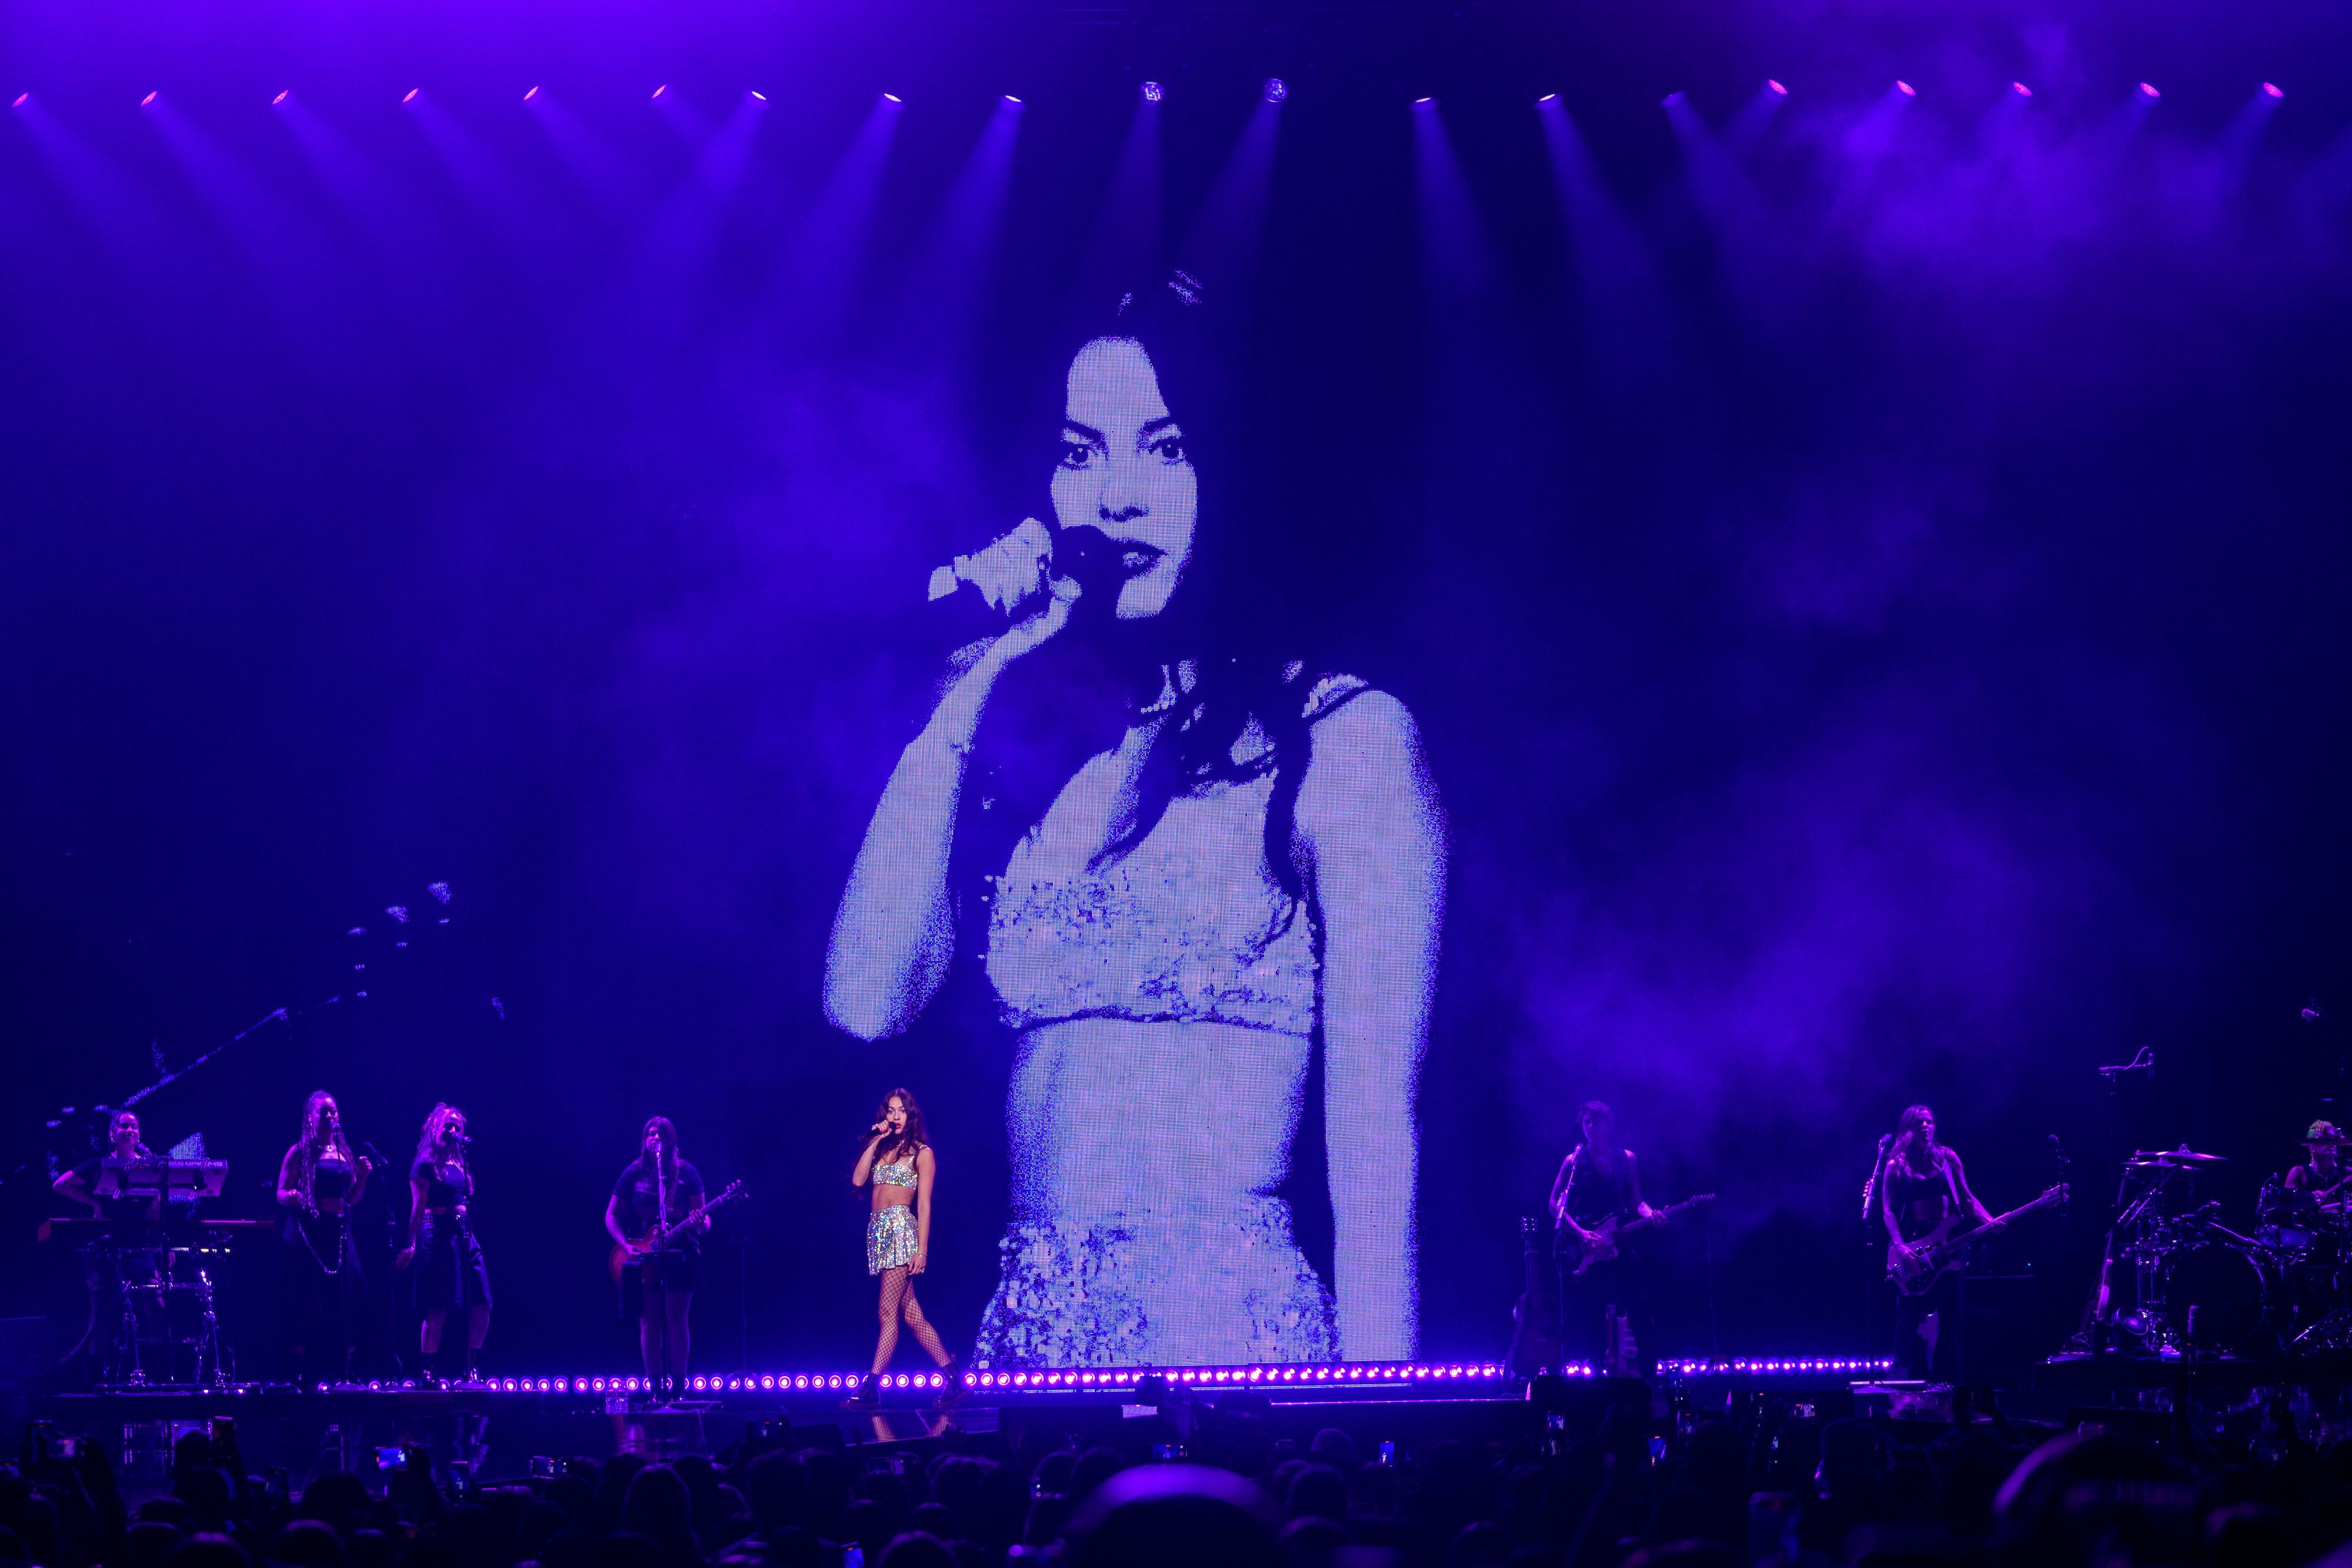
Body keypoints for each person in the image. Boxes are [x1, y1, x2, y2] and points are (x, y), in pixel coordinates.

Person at [824, 273, 1445, 1365]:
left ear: (1233, 469)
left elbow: (1375, 1149)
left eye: (1165, 448)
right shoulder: (1045, 753)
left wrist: (1377, 1423)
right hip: (1031, 1357)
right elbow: (865, 1001)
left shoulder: (1347, 739)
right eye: (1081, 453)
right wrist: (970, 686)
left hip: (1233, 1360)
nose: (1115, 498)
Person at [843, 1089, 961, 1409]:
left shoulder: (922, 1153)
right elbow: (858, 1181)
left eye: (901, 1111)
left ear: (911, 1115)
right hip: (878, 1232)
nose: (895, 1116)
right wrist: (873, 1141)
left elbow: (924, 1206)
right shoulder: (882, 1147)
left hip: (900, 1231)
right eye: (891, 1110)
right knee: (912, 1314)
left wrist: (922, 1250)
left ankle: (872, 1386)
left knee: (887, 1312)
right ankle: (955, 1380)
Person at [1880, 1104, 1994, 1380]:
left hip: (1948, 1244)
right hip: (1912, 1245)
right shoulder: (1896, 1167)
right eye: (1919, 1122)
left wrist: (1991, 1222)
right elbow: (1888, 1211)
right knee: (1909, 1317)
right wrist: (1900, 1246)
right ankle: (1906, 1382)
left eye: (1929, 1122)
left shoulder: (1948, 1158)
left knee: (1952, 1314)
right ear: (1907, 1129)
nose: (1925, 1126)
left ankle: (1949, 1382)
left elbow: (1967, 1200)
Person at [1548, 1101, 1656, 1375]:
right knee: (1591, 1310)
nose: (1591, 1126)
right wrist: (1580, 1233)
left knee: (1639, 1299)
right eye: (1586, 1122)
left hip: (1615, 1240)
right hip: (1585, 1243)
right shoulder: (1574, 1161)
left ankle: (1648, 1373)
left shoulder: (1627, 1159)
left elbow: (1637, 1202)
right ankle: (1595, 1373)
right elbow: (1554, 1203)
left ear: (1609, 1124)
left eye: (1596, 1121)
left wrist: (1652, 1214)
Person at [605, 1116, 709, 1389]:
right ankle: (654, 1389)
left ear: (671, 1140)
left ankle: (678, 1389)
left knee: (677, 1321)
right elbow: (612, 1216)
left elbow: (704, 1222)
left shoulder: (687, 1173)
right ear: (644, 1140)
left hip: (680, 1253)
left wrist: (700, 1222)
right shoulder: (634, 1173)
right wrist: (626, 1246)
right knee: (649, 1323)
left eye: (661, 1133)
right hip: (644, 1255)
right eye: (651, 1133)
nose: (655, 1137)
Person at [275, 1091, 369, 1385]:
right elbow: (281, 1192)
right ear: (310, 1118)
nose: (330, 1116)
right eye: (323, 1112)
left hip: (339, 1230)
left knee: (351, 1292)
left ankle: (346, 1367)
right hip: (309, 1230)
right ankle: (301, 1367)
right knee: (304, 1296)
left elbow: (351, 1199)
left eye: (333, 1111)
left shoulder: (343, 1153)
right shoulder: (300, 1152)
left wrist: (363, 1178)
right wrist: (292, 1196)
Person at [395, 1103, 490, 1383]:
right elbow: (417, 1207)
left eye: (457, 1127)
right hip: (437, 1234)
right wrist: (411, 1244)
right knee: (437, 1306)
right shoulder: (425, 1165)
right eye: (447, 1126)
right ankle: (428, 1370)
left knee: (483, 1302)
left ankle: (471, 1367)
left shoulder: (461, 1164)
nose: (452, 1131)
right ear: (434, 1129)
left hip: (464, 1235)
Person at [2284, 1120, 2348, 1213]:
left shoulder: (2348, 1174)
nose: (2330, 1143)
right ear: (2311, 1146)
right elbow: (2285, 1208)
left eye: (2332, 1139)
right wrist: (2306, 1198)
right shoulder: (2298, 1173)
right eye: (2324, 1139)